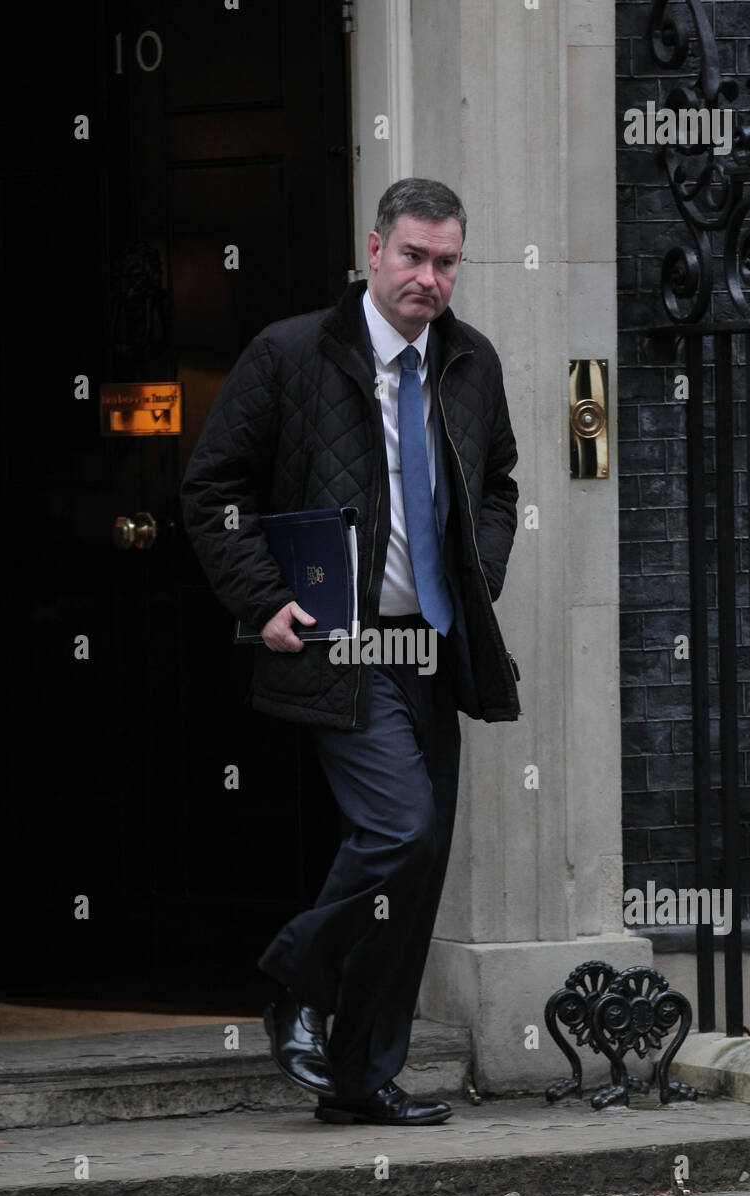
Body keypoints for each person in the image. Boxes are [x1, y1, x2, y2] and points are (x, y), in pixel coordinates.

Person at [181, 178, 520, 1125]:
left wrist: (478, 575)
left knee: (419, 864)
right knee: (398, 829)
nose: (429, 278)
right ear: (373, 251)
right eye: (412, 256)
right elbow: (213, 489)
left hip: (434, 648)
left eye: (446, 261)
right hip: (341, 643)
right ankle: (295, 980)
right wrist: (264, 598)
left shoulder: (470, 361)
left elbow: (499, 484)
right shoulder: (290, 354)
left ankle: (361, 1080)